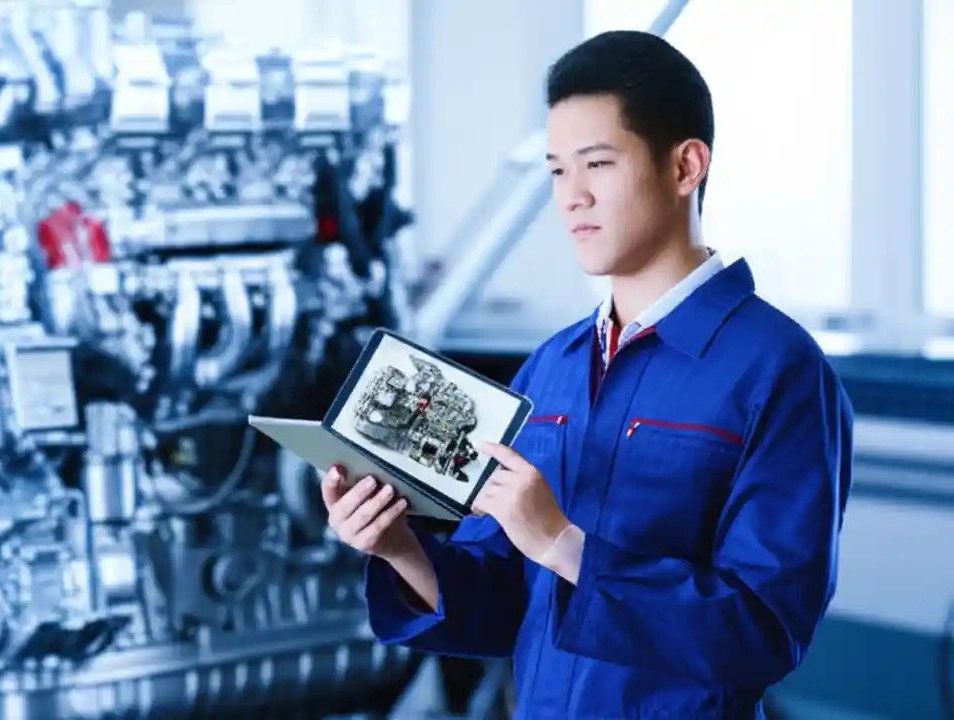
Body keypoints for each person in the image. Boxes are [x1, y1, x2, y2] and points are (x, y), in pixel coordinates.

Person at [320, 29, 854, 719]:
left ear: (686, 165)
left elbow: (764, 630)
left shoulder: (777, 370)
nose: (572, 196)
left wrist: (562, 544)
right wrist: (400, 549)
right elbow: (505, 601)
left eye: (598, 164)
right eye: (556, 171)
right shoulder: (552, 366)